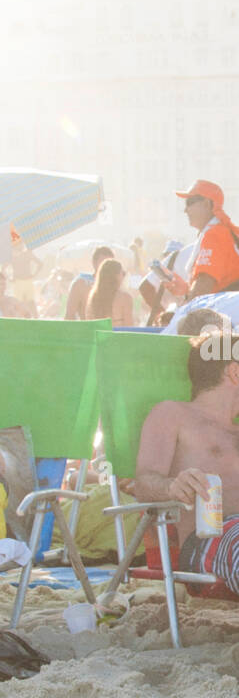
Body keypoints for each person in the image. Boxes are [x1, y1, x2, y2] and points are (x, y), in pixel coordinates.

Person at [136, 330, 239, 590]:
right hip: (210, 537)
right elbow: (143, 483)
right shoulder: (173, 414)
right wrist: (172, 486)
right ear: (235, 373)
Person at [65, 246, 114, 321]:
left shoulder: (116, 286)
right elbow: (69, 315)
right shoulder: (81, 284)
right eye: (103, 263)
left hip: (110, 331)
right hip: (87, 330)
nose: (106, 267)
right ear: (94, 263)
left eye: (110, 264)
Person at [85, 257, 134, 327]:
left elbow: (89, 324)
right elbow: (129, 329)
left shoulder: (92, 297)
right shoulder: (125, 298)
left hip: (97, 337)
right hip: (116, 337)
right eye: (123, 273)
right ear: (116, 276)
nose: (124, 276)